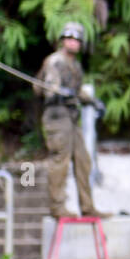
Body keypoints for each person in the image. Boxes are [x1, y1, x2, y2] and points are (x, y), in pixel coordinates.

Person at [35, 21, 104, 219]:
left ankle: (88, 206)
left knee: (84, 161)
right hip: (57, 117)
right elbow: (50, 85)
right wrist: (57, 90)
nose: (73, 42)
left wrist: (92, 101)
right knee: (60, 162)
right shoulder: (55, 61)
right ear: (63, 40)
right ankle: (57, 208)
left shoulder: (75, 65)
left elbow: (77, 90)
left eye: (76, 39)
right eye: (69, 38)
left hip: (71, 118)